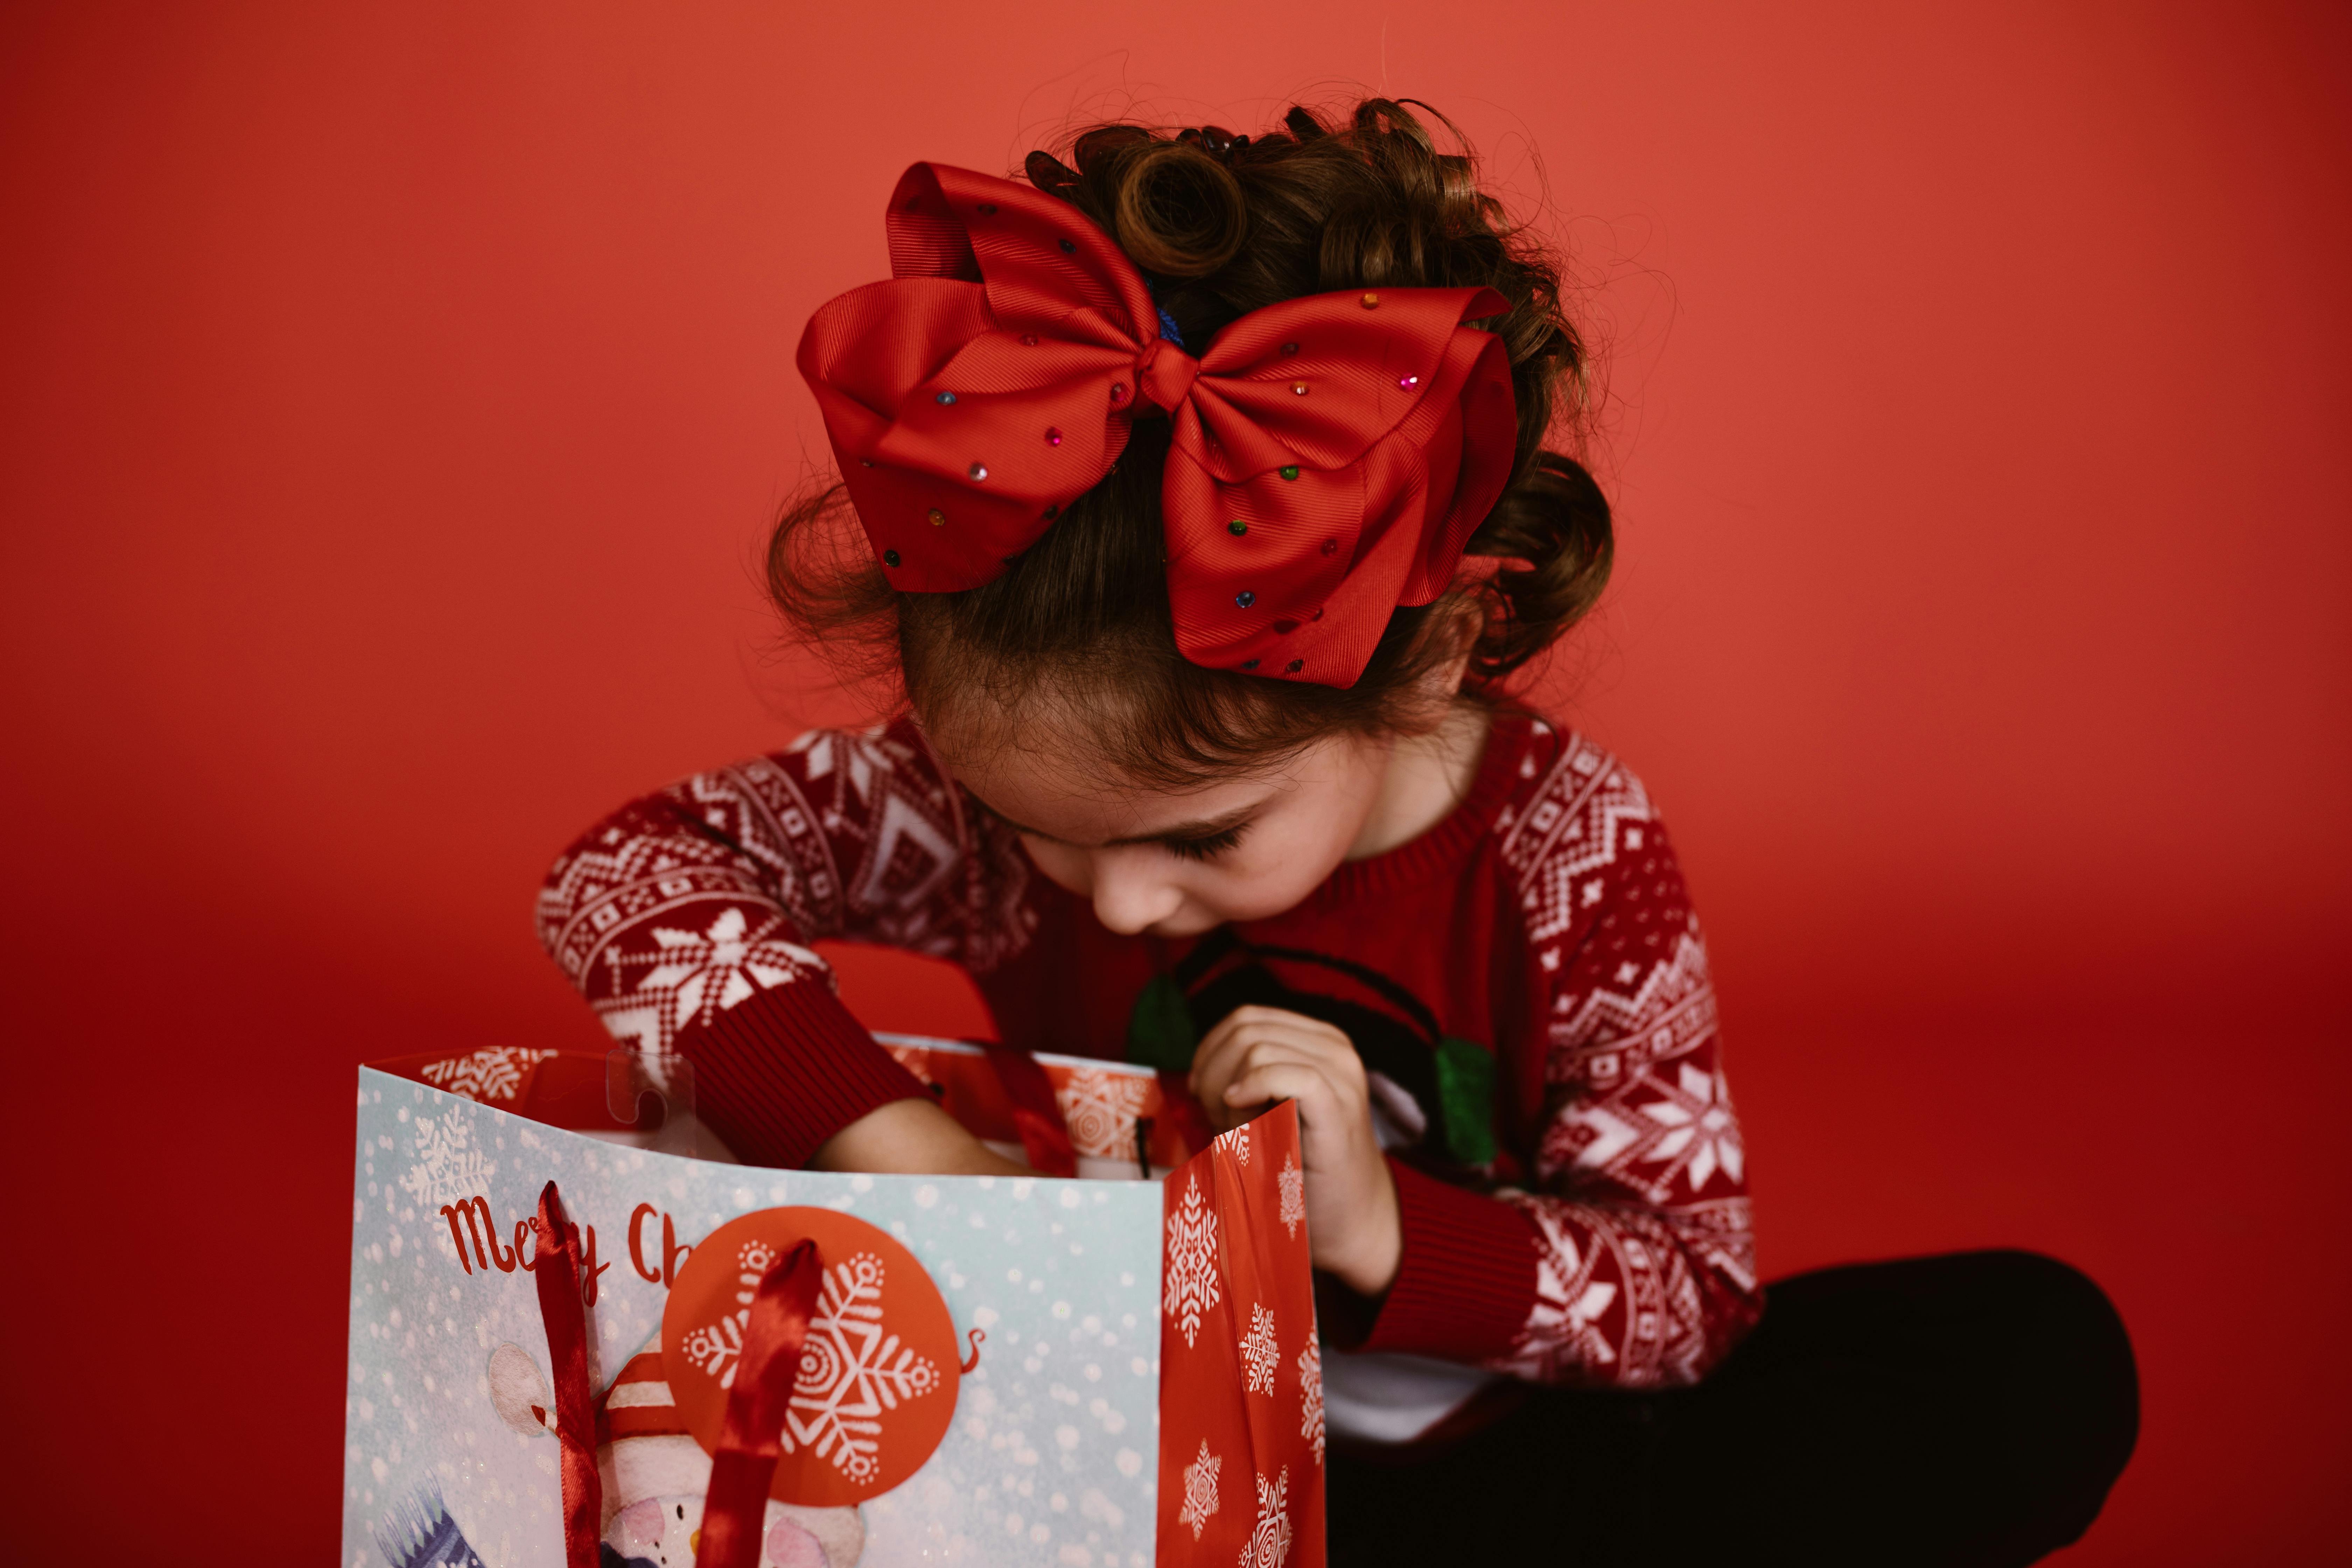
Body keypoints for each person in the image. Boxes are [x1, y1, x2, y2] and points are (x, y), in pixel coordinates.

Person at [536, 99, 2136, 1566]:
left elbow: (1690, 1295)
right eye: (1041, 833)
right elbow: (623, 873)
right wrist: (900, 1145)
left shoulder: (1568, 848)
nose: (1124, 898)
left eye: (1208, 837)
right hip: (1138, 1464)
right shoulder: (978, 813)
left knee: (2027, 1360)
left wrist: (1376, 1228)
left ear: (1432, 664)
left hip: (1508, 1463)